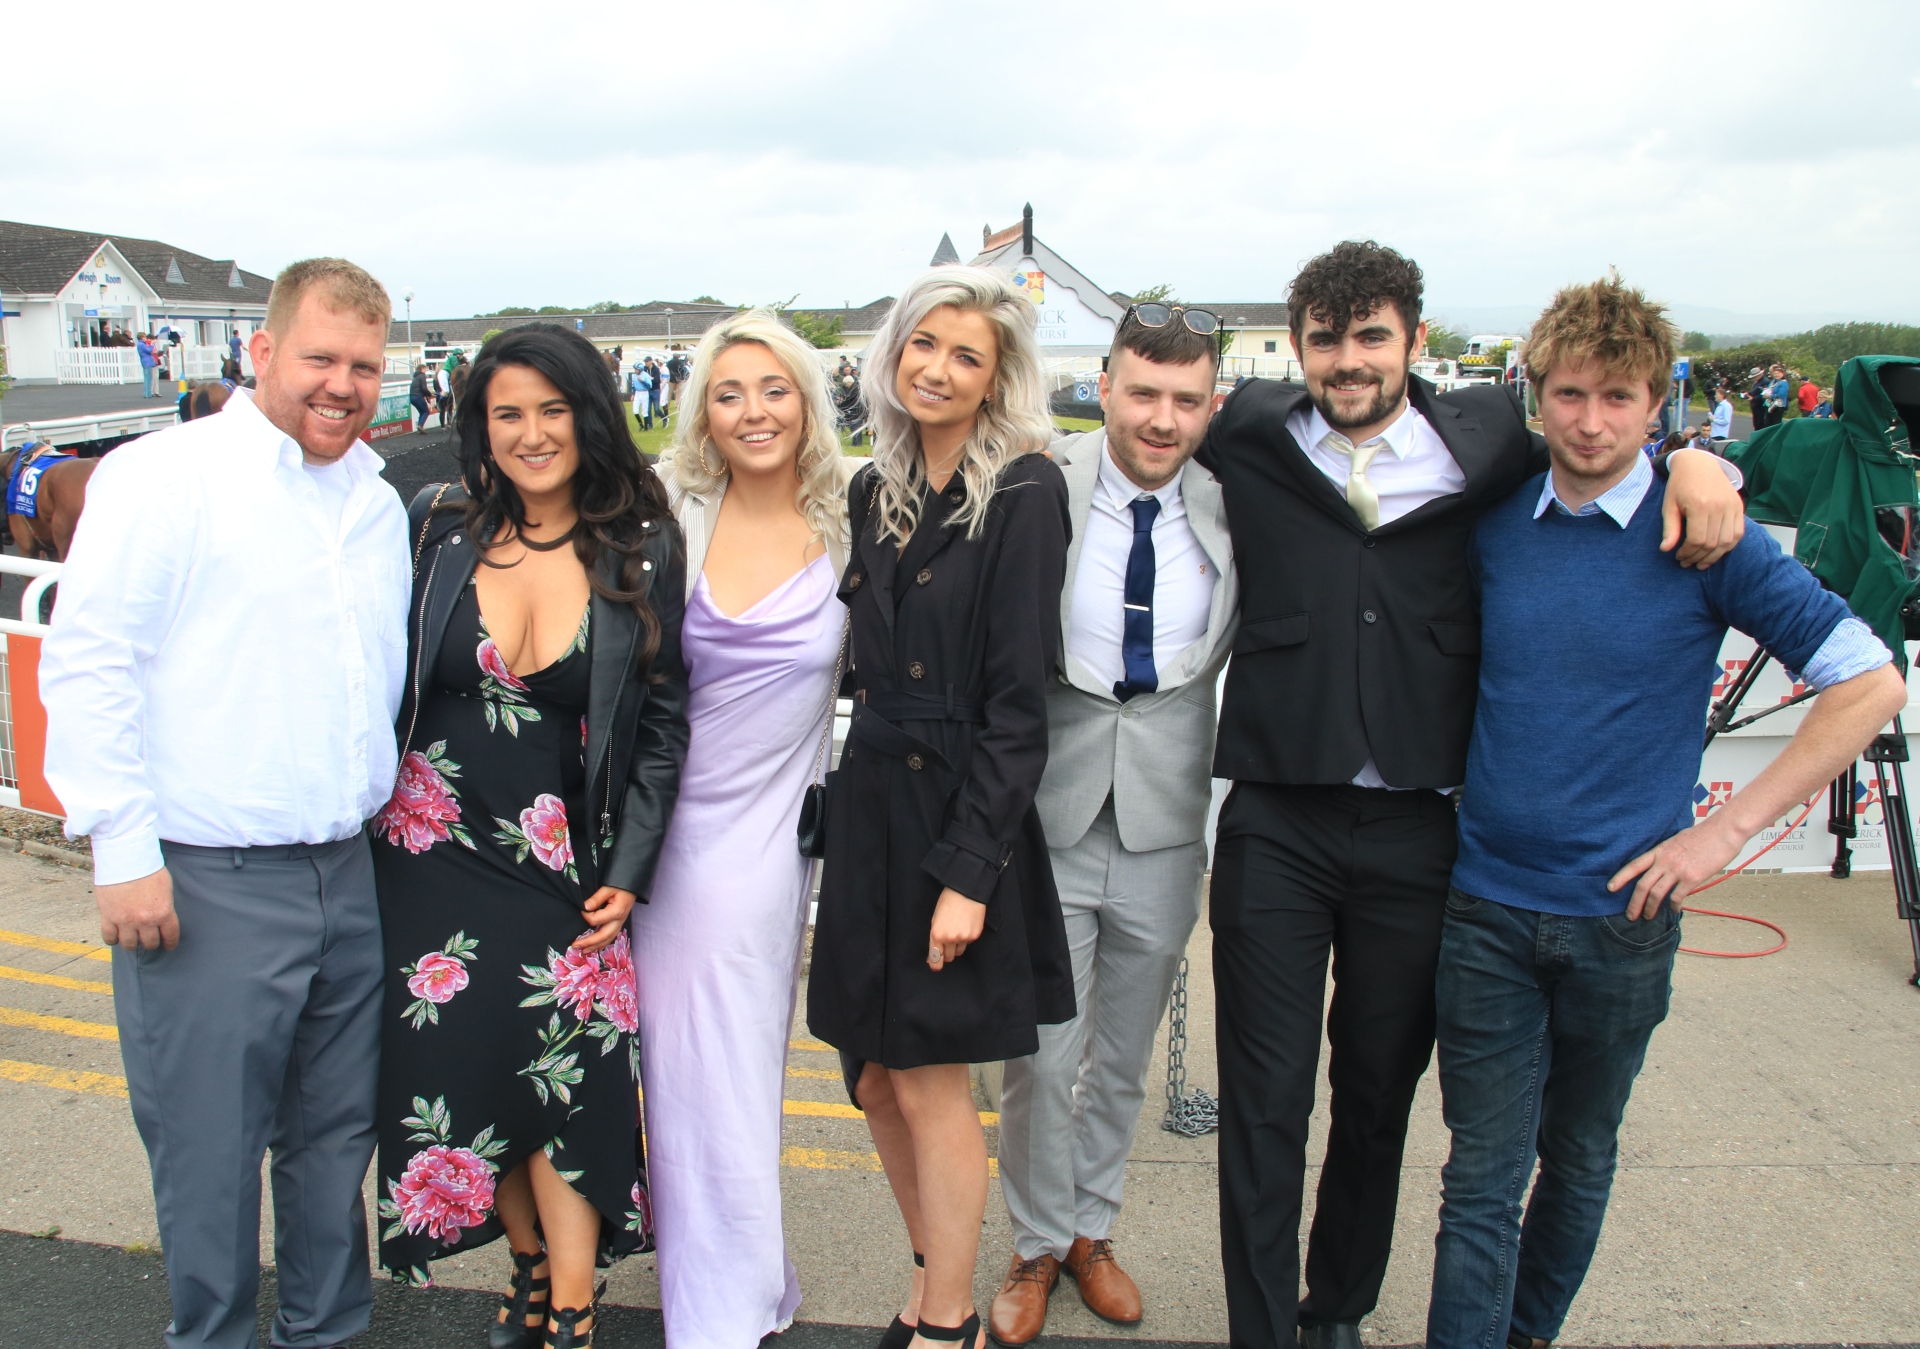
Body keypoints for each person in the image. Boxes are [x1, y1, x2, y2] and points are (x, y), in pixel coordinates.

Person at [1193, 241, 1747, 1349]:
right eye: (1325, 339)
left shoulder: (1487, 441)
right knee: (1262, 1098)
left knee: (1378, 1089)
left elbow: (1602, 445)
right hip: (1275, 817)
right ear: (1297, 344)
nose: (1347, 362)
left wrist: (1704, 460)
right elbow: (1135, 429)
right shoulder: (1246, 431)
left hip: (1416, 828)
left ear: (1415, 342)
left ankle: (1336, 1302)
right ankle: (1259, 1328)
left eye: (1371, 337)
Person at [1425, 273, 1906, 1349]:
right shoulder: (1496, 524)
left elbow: (1870, 679)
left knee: (1581, 1155)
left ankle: (1529, 1332)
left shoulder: (1708, 533)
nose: (1591, 421)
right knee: (1480, 1178)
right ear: (1535, 393)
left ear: (1659, 406)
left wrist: (1723, 831)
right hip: (1487, 907)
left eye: (1619, 397)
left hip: (1623, 922)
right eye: (1569, 395)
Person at [40, 257, 409, 1349]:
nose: (342, 384)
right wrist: (121, 842)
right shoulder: (166, 476)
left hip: (347, 870)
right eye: (320, 358)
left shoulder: (378, 504)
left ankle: (325, 1334)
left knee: (335, 1140)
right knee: (208, 1151)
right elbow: (93, 658)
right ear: (259, 353)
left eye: (364, 366)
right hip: (205, 878)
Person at [372, 322, 688, 1349]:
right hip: (427, 856)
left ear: (589, 414)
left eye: (553, 408)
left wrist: (633, 869)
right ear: (481, 424)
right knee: (472, 1074)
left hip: (562, 862)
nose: (532, 432)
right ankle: (528, 1265)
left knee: (571, 1072)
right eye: (508, 412)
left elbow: (662, 722)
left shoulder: (641, 543)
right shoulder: (438, 525)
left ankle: (576, 1303)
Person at [807, 266, 1074, 1349]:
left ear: (998, 375)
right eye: (925, 345)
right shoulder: (876, 487)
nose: (940, 368)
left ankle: (947, 1319)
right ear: (893, 352)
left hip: (960, 812)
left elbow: (1020, 705)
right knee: (870, 1072)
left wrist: (972, 869)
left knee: (930, 1079)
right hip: (870, 801)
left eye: (968, 355)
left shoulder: (1023, 489)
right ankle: (936, 1276)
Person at [989, 302, 1238, 1343]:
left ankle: (1093, 1227)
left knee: (1122, 1056)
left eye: (1186, 399)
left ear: (1213, 401)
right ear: (1105, 383)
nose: (1162, 417)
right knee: (1042, 1054)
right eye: (1143, 391)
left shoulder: (1238, 505)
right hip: (1048, 813)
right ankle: (1036, 1242)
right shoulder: (1041, 481)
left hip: (1166, 823)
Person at [637, 308, 858, 1348]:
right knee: (678, 1067)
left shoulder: (855, 515)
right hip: (666, 835)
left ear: (807, 401)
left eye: (774, 389)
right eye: (730, 393)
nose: (753, 410)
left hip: (774, 842)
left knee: (735, 1062)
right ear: (703, 413)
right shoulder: (671, 508)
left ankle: (730, 1293)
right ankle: (728, 1287)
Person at [632, 360, 655, 431]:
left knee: (644, 411)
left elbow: (649, 386)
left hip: (644, 393)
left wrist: (642, 381)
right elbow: (633, 386)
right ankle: (641, 424)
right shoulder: (634, 376)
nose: (635, 370)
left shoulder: (646, 375)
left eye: (636, 369)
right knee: (635, 410)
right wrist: (633, 394)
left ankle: (645, 427)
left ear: (640, 369)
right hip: (637, 393)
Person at [411, 360, 433, 432]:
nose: (426, 370)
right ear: (422, 369)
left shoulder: (415, 377)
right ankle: (420, 425)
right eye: (425, 369)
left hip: (412, 397)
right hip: (418, 396)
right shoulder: (422, 376)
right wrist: (430, 394)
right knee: (426, 411)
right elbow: (424, 388)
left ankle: (420, 426)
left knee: (422, 411)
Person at [436, 359, 454, 428]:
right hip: (447, 395)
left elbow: (435, 387)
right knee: (449, 409)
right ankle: (449, 424)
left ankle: (442, 426)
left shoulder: (436, 378)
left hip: (440, 395)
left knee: (442, 411)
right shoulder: (448, 376)